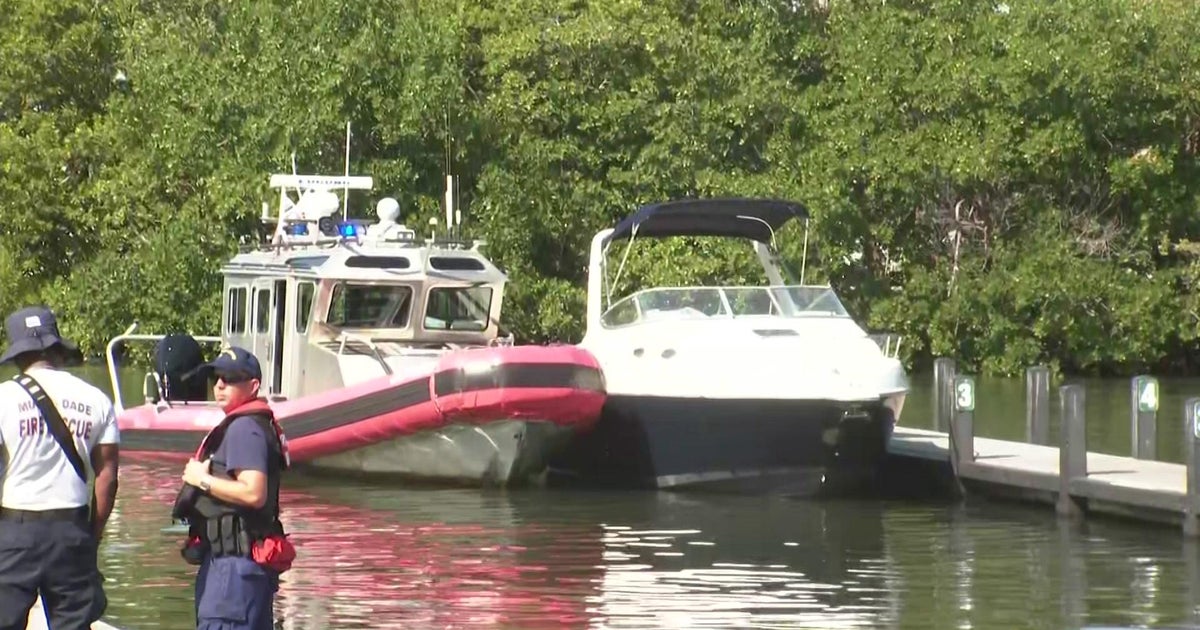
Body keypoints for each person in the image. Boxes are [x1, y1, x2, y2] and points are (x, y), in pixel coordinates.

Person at [0, 305, 120, 630]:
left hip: (15, 530)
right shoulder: (96, 399)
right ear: (57, 349)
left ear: (18, 354)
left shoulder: (3, 398)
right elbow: (108, 477)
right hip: (72, 529)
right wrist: (92, 533)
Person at [172, 346, 293, 630]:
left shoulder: (244, 429)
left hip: (233, 573)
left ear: (253, 386)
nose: (220, 384)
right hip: (239, 568)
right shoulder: (251, 425)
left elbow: (253, 492)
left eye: (231, 377)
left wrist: (200, 479)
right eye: (216, 377)